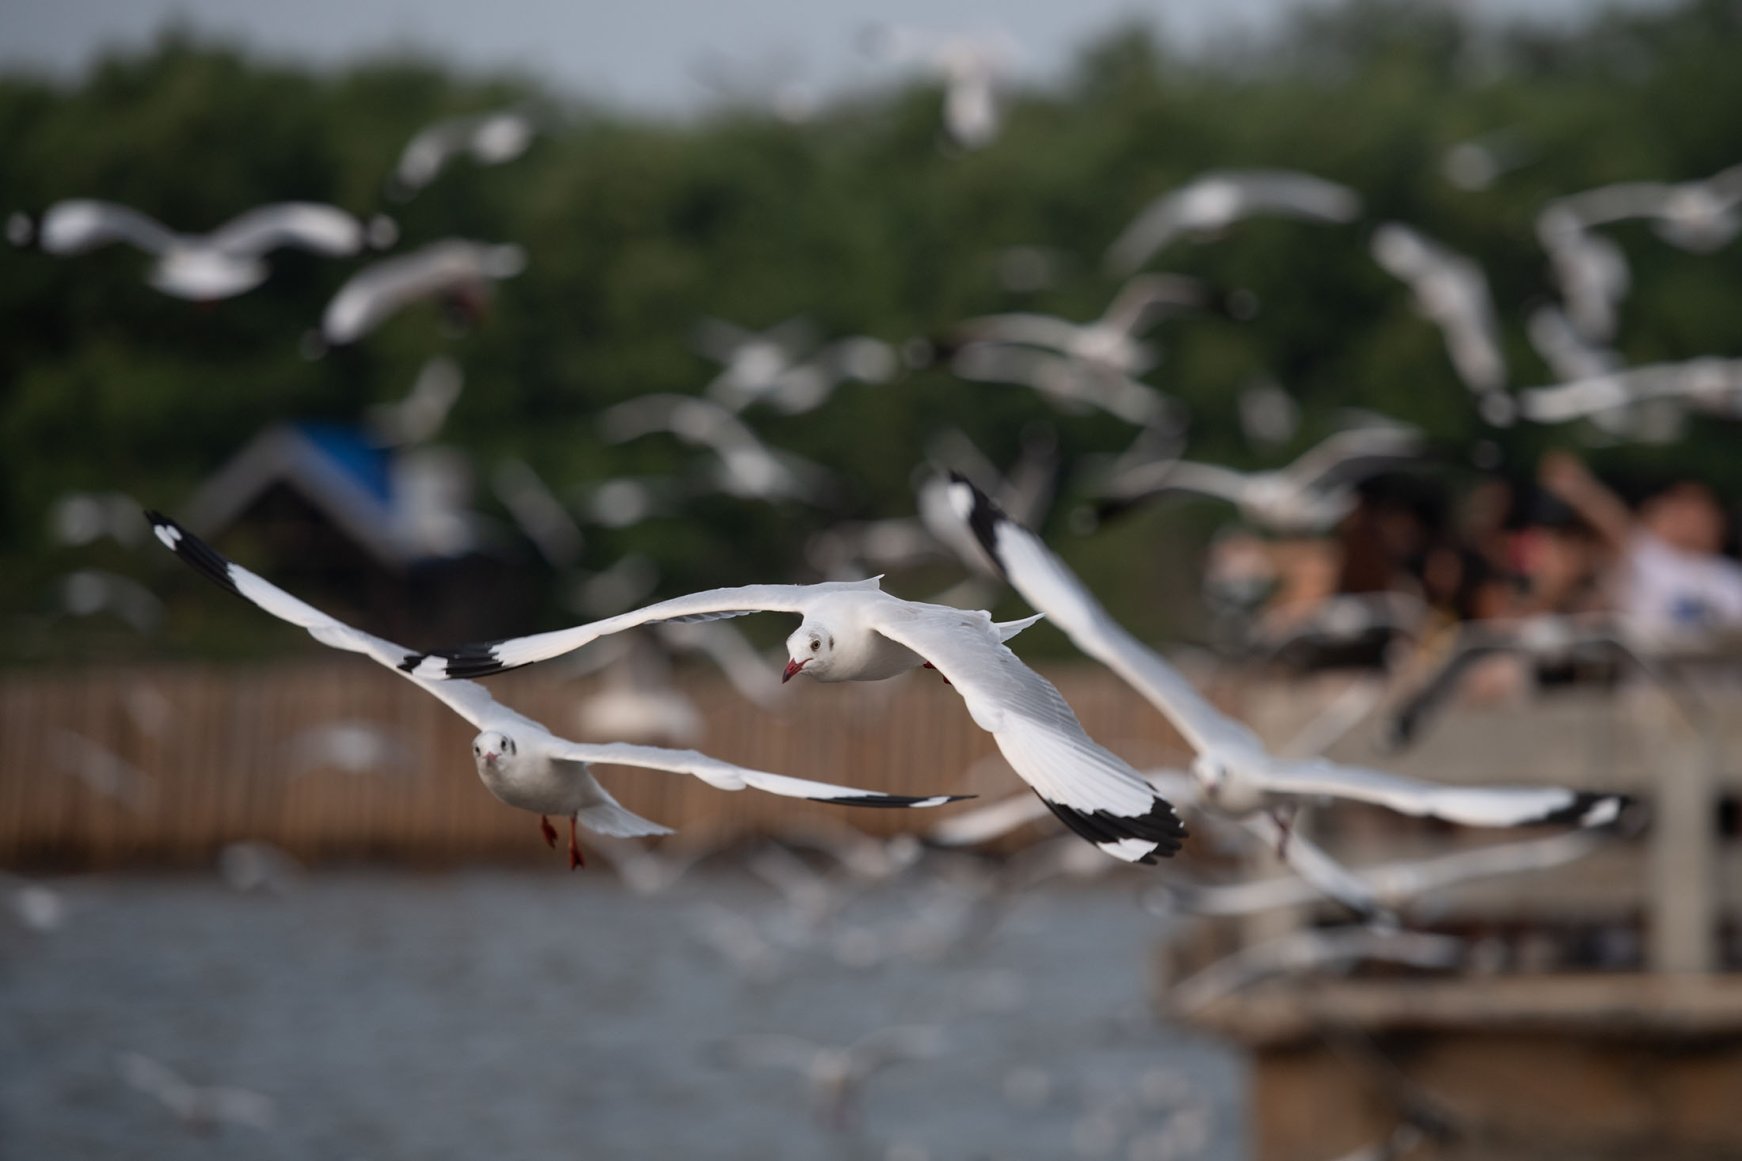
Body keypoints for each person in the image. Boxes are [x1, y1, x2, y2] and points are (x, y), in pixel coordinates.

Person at [1539, 452, 1742, 637]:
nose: (1695, 521)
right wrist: (1580, 486)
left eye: (1703, 512)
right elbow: (1615, 524)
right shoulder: (1654, 559)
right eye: (1686, 511)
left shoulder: (1731, 577)